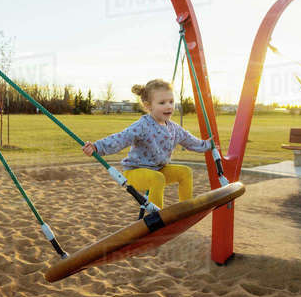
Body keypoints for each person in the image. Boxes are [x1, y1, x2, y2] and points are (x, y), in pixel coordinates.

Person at [82, 79, 212, 209]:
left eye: (171, 102)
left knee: (185, 172)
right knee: (158, 179)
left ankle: (186, 208)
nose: (169, 106)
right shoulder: (143, 125)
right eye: (162, 103)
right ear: (148, 106)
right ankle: (158, 216)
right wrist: (97, 147)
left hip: (158, 169)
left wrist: (207, 145)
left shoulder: (174, 128)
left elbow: (189, 140)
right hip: (135, 172)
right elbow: (121, 138)